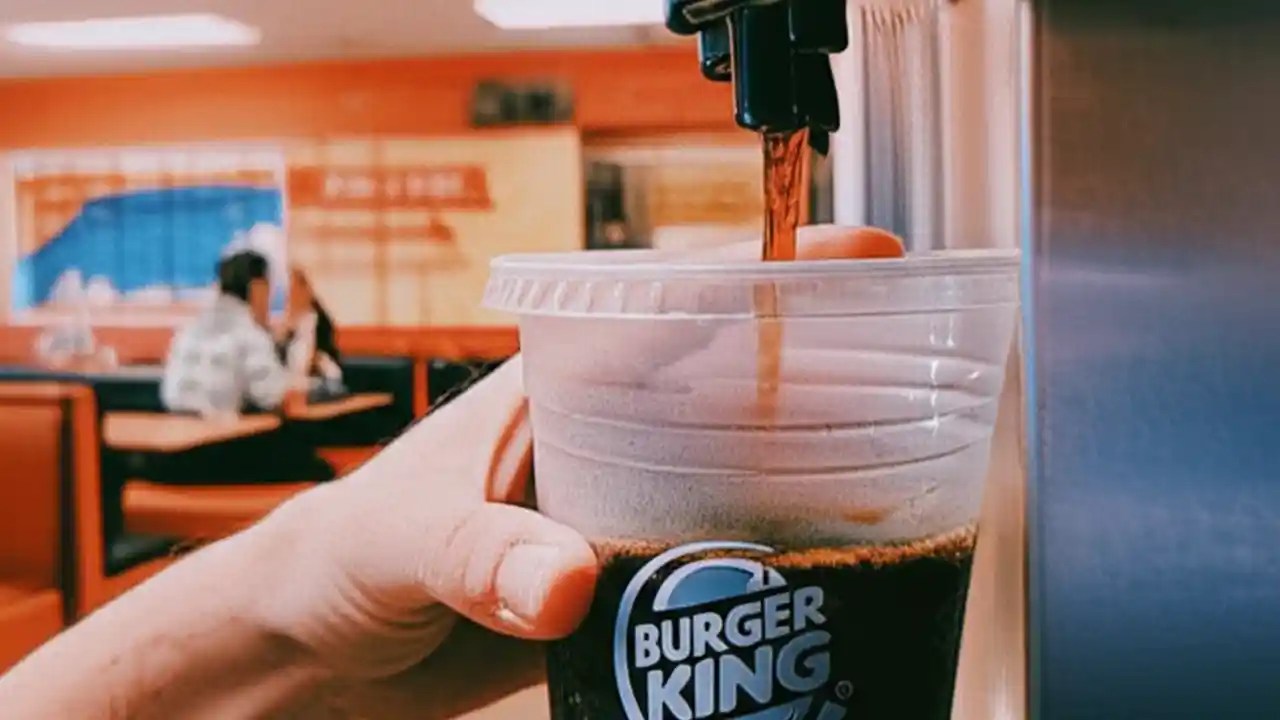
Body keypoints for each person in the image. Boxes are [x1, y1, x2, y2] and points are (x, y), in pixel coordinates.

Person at [0, 227, 905, 718]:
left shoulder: (203, 325)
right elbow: (283, 398)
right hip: (240, 467)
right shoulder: (250, 329)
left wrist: (283, 642)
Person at [161, 250, 301, 417]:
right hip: (219, 434)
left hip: (175, 428)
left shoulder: (188, 329)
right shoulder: (249, 334)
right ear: (257, 287)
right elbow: (273, 396)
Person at [280, 268, 345, 395]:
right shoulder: (282, 322)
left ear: (305, 291)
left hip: (325, 379)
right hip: (296, 383)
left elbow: (302, 363)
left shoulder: (313, 318)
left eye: (292, 290)